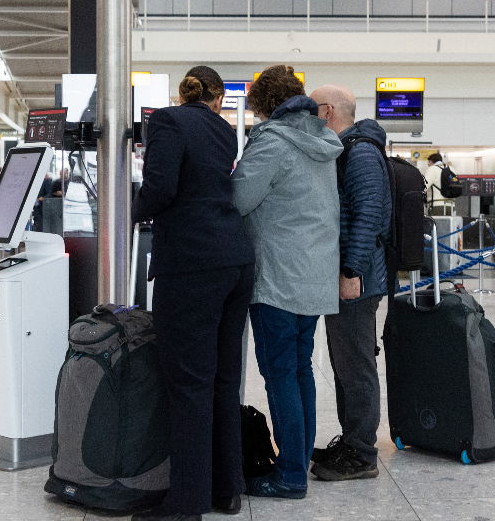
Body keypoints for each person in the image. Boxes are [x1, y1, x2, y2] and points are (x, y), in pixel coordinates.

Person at [131, 66, 255, 521]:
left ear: (182, 94)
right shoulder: (224, 131)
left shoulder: (167, 120)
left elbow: (161, 188)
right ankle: (226, 487)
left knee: (188, 383)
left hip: (192, 263)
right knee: (223, 377)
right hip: (235, 259)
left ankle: (186, 503)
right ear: (218, 98)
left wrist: (129, 210)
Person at [232, 65, 342, 500]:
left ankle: (290, 475)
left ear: (263, 106)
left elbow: (238, 199)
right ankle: (297, 462)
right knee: (299, 371)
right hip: (313, 276)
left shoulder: (273, 142)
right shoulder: (322, 142)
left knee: (280, 375)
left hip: (277, 277)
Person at [309, 86, 391, 482]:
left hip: (358, 278)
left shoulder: (360, 153)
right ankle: (351, 441)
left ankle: (362, 453)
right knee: (345, 364)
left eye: (312, 110)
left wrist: (351, 271)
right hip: (349, 274)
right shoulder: (347, 150)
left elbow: (369, 215)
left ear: (326, 112)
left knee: (356, 367)